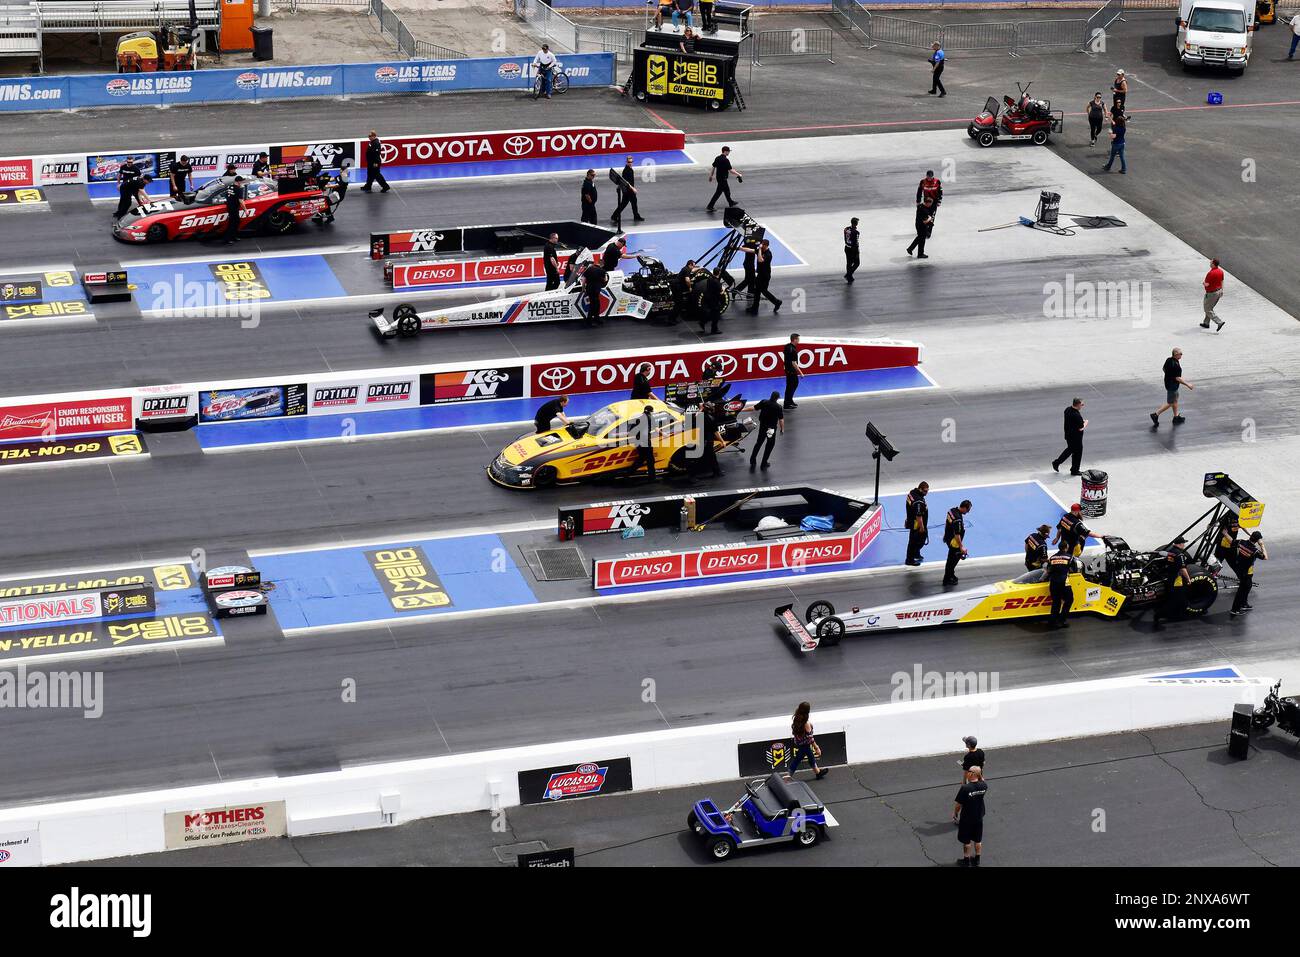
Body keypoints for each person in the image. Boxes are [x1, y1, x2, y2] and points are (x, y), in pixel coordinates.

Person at [1152, 536, 1192, 626]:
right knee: (1176, 598)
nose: (1184, 545)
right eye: (1183, 543)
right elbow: (1182, 569)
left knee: (1175, 597)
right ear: (1180, 544)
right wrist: (1188, 579)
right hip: (1177, 580)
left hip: (1169, 577)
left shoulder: (1171, 552)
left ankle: (1179, 614)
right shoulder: (1180, 554)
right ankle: (1159, 615)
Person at [953, 767, 988, 866]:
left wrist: (955, 813)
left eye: (969, 771)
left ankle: (966, 860)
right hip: (978, 816)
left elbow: (959, 804)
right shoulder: (984, 786)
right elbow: (982, 780)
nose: (967, 773)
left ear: (972, 774)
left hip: (967, 818)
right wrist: (979, 775)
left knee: (966, 841)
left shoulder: (965, 788)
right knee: (978, 839)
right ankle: (977, 859)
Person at [1151, 347, 1193, 427]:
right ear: (1176, 354)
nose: (1182, 355)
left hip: (1168, 383)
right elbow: (1178, 378)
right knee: (1171, 402)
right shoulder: (1176, 365)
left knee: (1175, 399)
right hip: (1172, 385)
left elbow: (1164, 369)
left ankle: (1176, 417)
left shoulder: (1169, 360)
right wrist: (1188, 384)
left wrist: (1169, 376)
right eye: (1181, 354)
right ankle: (1155, 414)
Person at [1229, 532, 1267, 617]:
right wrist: (1262, 545)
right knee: (1241, 590)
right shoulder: (1255, 550)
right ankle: (1235, 610)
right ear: (1257, 540)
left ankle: (1243, 604)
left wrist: (1224, 533)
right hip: (1246, 572)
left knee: (1248, 586)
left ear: (1251, 536)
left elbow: (1231, 541)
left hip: (1240, 569)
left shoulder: (1241, 542)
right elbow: (1265, 557)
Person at [789, 701, 828, 779]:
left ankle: (818, 772)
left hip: (799, 742)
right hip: (805, 744)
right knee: (797, 760)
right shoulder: (806, 723)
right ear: (808, 711)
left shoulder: (796, 718)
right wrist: (817, 748)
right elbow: (810, 739)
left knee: (810, 757)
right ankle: (787, 777)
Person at [1052, 397, 1087, 475]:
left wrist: (1080, 421)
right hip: (1076, 437)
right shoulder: (1076, 415)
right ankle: (1073, 469)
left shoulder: (1067, 410)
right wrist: (1086, 422)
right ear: (1078, 405)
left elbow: (1073, 422)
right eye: (1082, 404)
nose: (1083, 406)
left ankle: (1059, 464)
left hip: (1068, 435)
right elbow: (1081, 427)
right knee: (1077, 453)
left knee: (1071, 450)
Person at [749, 391, 783, 469]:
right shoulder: (778, 407)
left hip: (762, 427)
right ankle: (764, 463)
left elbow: (753, 408)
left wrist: (742, 409)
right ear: (778, 398)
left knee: (759, 443)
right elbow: (781, 420)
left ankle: (752, 459)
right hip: (771, 429)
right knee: (769, 445)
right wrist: (782, 429)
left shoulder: (764, 402)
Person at [746, 239, 781, 315]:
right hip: (760, 275)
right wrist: (738, 248)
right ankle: (754, 308)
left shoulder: (768, 254)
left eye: (762, 245)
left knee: (763, 291)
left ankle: (777, 302)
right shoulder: (761, 250)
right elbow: (750, 250)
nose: (760, 246)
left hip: (765, 276)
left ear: (765, 245)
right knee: (757, 292)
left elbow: (760, 260)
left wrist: (759, 250)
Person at [943, 500, 971, 585]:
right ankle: (947, 578)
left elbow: (947, 524)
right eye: (968, 510)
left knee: (952, 559)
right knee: (952, 560)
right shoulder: (958, 519)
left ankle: (950, 575)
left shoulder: (951, 511)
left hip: (948, 537)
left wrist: (945, 535)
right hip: (954, 542)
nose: (968, 512)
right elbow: (957, 534)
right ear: (964, 508)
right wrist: (961, 547)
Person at [611, 154, 645, 225]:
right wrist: (633, 189)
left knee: (634, 203)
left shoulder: (629, 169)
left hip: (628, 190)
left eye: (631, 162)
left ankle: (636, 216)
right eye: (629, 162)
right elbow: (626, 182)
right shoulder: (626, 170)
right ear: (626, 162)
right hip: (628, 191)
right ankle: (614, 216)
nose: (630, 163)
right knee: (624, 204)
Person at [1047, 545, 1075, 628]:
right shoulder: (1070, 557)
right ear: (1066, 547)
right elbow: (1073, 569)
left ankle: (1052, 621)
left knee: (1056, 602)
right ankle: (1061, 620)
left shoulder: (1052, 558)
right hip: (1064, 583)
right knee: (1069, 600)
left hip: (1053, 583)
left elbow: (1048, 570)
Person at [706, 146, 741, 211]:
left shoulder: (717, 158)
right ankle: (710, 206)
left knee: (727, 190)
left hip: (719, 178)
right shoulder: (726, 160)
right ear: (725, 151)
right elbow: (731, 170)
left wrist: (711, 176)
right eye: (728, 151)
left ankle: (730, 202)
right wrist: (739, 174)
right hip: (723, 178)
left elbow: (713, 167)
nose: (729, 152)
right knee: (718, 192)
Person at [905, 482, 930, 566]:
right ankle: (909, 560)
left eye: (927, 491)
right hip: (917, 524)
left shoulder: (912, 492)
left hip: (911, 521)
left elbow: (910, 507)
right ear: (920, 489)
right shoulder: (918, 501)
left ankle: (916, 553)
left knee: (916, 540)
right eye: (925, 491)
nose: (926, 493)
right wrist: (922, 527)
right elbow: (918, 515)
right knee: (915, 541)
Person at [1199, 257, 1225, 331]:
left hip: (1211, 294)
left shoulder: (1211, 273)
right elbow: (1222, 281)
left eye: (1210, 263)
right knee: (1210, 308)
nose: (1210, 263)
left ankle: (1219, 322)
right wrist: (1222, 290)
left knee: (1207, 309)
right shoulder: (1220, 271)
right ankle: (1206, 323)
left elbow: (1207, 284)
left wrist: (1203, 283)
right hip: (1219, 292)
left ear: (1213, 264)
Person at [632, 404, 658, 479]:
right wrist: (663, 433)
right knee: (650, 460)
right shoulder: (650, 418)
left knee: (641, 458)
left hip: (637, 441)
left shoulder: (638, 418)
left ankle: (629, 473)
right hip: (645, 441)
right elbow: (656, 429)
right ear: (650, 412)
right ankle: (652, 478)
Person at [696, 270, 724, 335]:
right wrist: (724, 289)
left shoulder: (709, 279)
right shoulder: (716, 281)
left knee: (711, 313)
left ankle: (702, 322)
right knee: (716, 315)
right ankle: (714, 330)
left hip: (708, 298)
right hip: (714, 300)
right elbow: (721, 292)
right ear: (719, 273)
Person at [582, 259, 607, 326]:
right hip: (596, 289)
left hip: (589, 289)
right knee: (594, 304)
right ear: (602, 265)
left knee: (595, 303)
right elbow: (605, 280)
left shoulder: (589, 269)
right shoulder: (602, 271)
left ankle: (596, 318)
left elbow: (583, 280)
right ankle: (589, 320)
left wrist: (583, 288)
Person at [223, 176, 246, 244]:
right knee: (233, 223)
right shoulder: (239, 189)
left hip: (230, 207)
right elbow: (241, 201)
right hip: (234, 208)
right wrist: (245, 210)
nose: (242, 182)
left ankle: (234, 236)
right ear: (238, 182)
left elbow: (226, 195)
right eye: (241, 181)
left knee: (236, 221)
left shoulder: (230, 187)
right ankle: (228, 239)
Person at [1102, 110, 1127, 174]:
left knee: (1112, 156)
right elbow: (1114, 123)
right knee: (1122, 156)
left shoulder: (1116, 129)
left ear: (1118, 122)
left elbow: (1113, 137)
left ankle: (1108, 167)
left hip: (1116, 144)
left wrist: (1110, 132)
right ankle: (1124, 169)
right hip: (1122, 143)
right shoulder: (1123, 128)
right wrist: (1110, 118)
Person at [782, 333, 802, 409]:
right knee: (791, 386)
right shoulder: (793, 350)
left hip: (787, 370)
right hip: (791, 371)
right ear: (795, 339)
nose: (799, 341)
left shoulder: (787, 346)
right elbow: (794, 363)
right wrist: (801, 373)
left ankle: (789, 401)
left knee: (791, 386)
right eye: (798, 339)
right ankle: (786, 404)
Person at [843, 216, 860, 283]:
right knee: (857, 263)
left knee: (849, 263)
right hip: (853, 250)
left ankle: (849, 277)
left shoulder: (846, 229)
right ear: (856, 224)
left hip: (847, 248)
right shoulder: (856, 232)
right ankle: (848, 275)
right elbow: (856, 243)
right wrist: (857, 252)